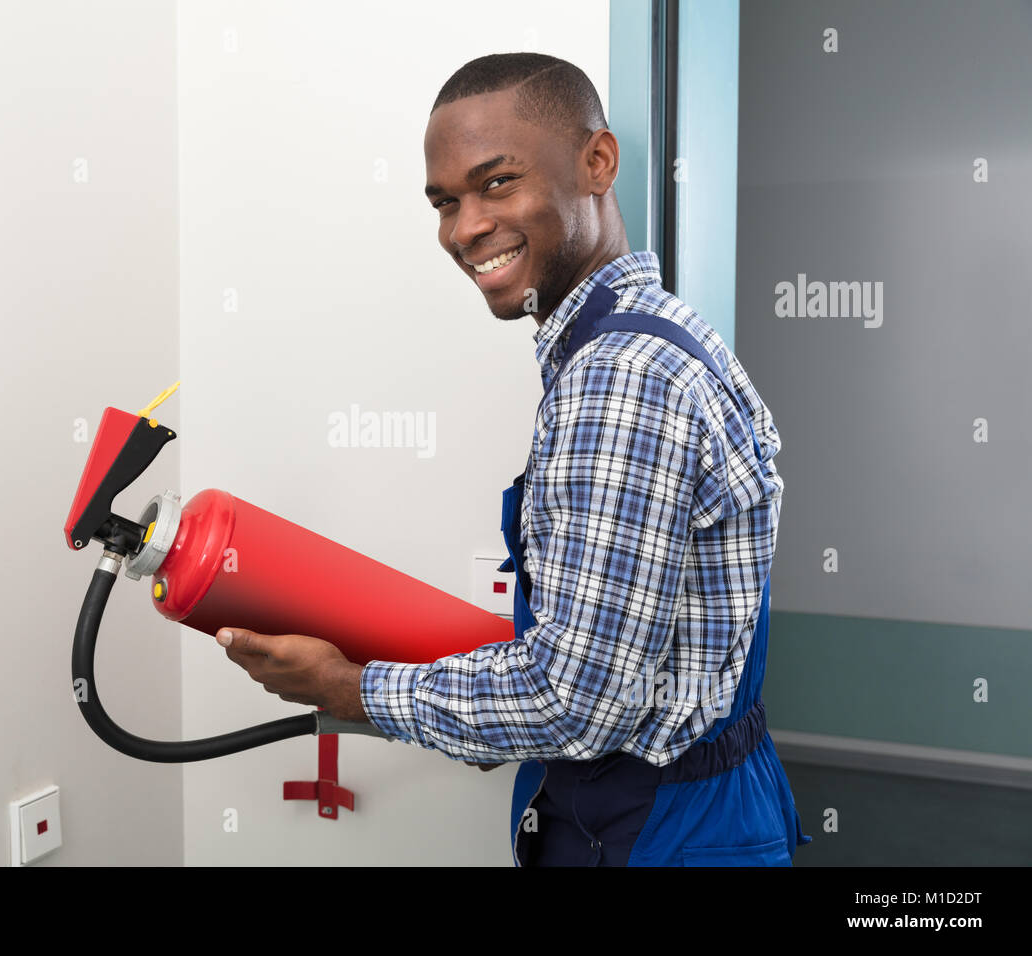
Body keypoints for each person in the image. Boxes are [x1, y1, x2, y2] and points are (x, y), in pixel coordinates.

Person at [215, 52, 811, 867]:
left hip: (662, 831)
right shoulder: (663, 332)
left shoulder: (618, 379)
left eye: (497, 183)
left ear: (597, 162)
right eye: (445, 202)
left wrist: (345, 688)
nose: (464, 229)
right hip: (691, 799)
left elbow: (577, 703)